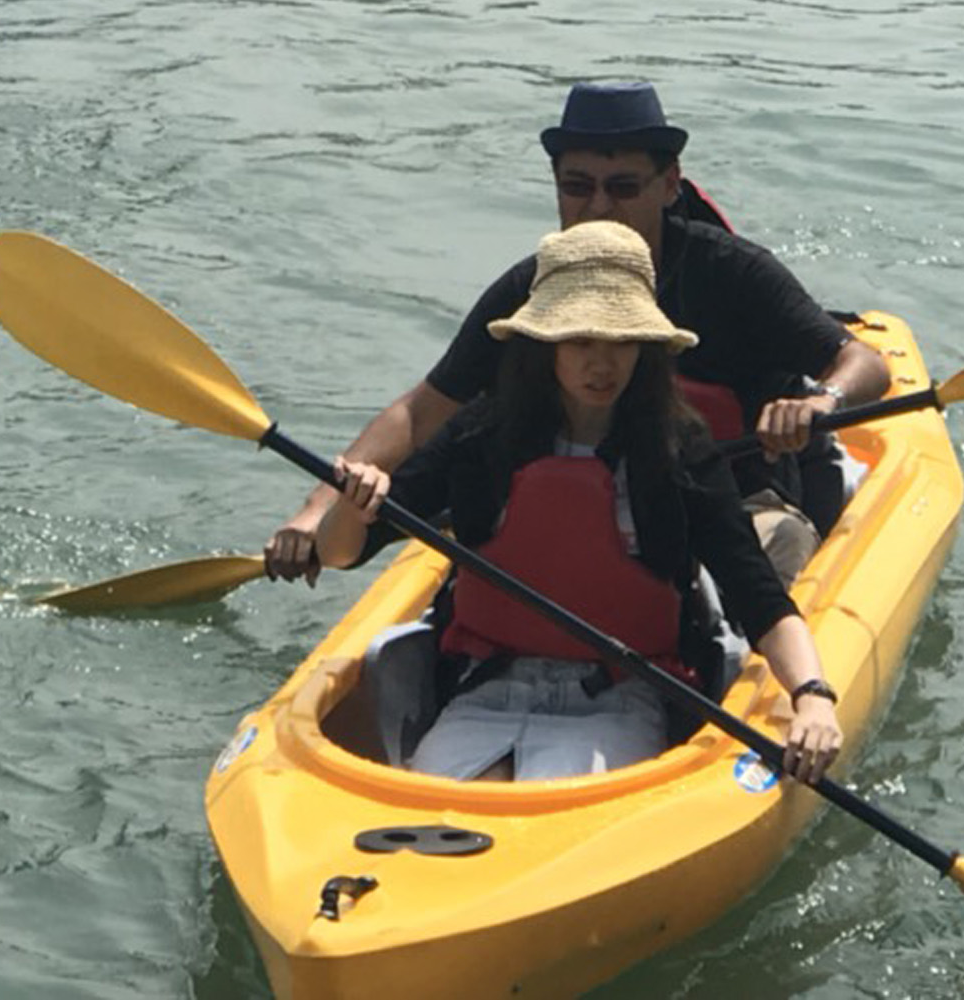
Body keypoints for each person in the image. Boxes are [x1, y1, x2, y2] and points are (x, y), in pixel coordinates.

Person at [266, 80, 891, 583]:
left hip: (735, 501)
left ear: (670, 184)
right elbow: (423, 411)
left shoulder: (734, 272)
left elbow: (864, 361)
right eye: (577, 186)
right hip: (585, 504)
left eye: (623, 188)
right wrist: (320, 510)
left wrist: (821, 401)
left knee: (770, 551)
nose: (597, 207)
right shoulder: (533, 291)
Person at [314, 222, 848, 786]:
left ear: (646, 348)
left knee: (538, 807)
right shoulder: (482, 435)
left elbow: (757, 596)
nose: (602, 364)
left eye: (621, 342)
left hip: (623, 695)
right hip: (487, 687)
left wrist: (813, 696)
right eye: (582, 341)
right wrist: (353, 505)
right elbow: (341, 551)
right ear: (545, 344)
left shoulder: (678, 450)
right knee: (448, 806)